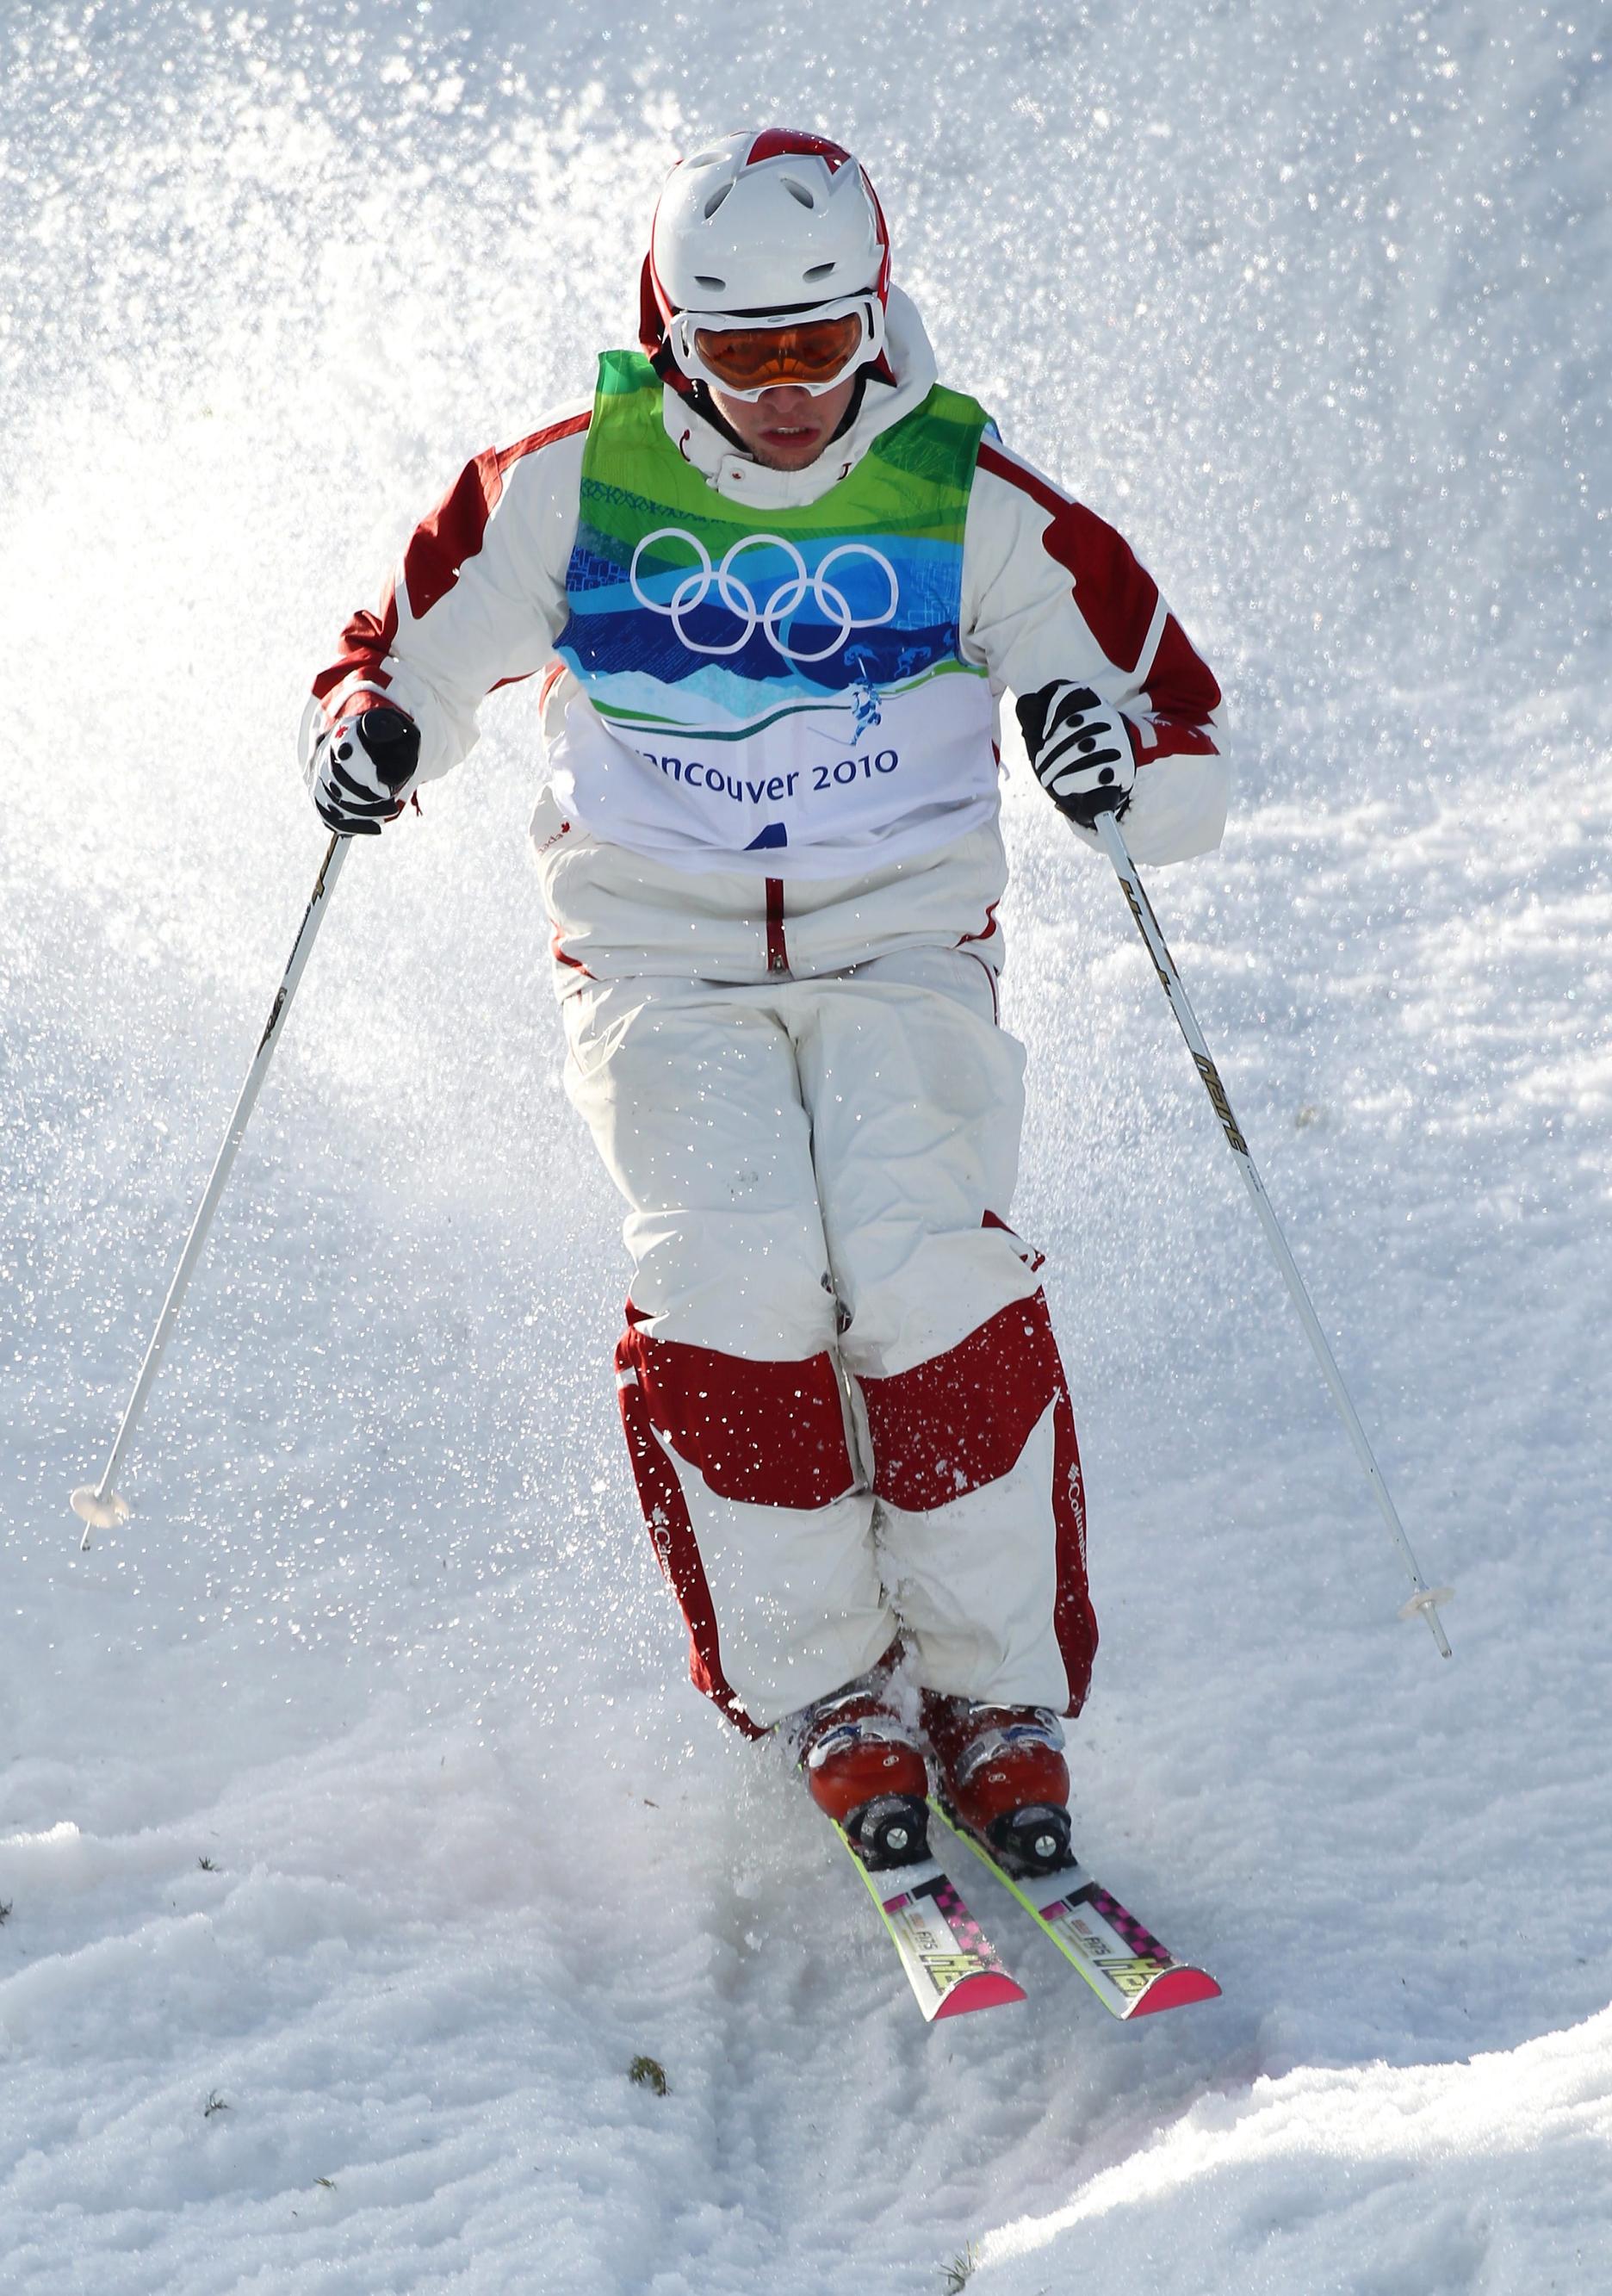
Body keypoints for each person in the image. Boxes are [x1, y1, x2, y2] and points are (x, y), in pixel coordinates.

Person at [302, 128, 1228, 1875]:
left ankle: (995, 1692)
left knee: (919, 1260)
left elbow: (1179, 727)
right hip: (660, 957)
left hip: (903, 947)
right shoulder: (569, 484)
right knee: (730, 1272)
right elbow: (393, 653)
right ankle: (832, 1687)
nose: (790, 392)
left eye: (821, 344)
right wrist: (371, 739)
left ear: (876, 318)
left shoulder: (972, 498)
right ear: (674, 338)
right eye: (744, 355)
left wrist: (1113, 771)